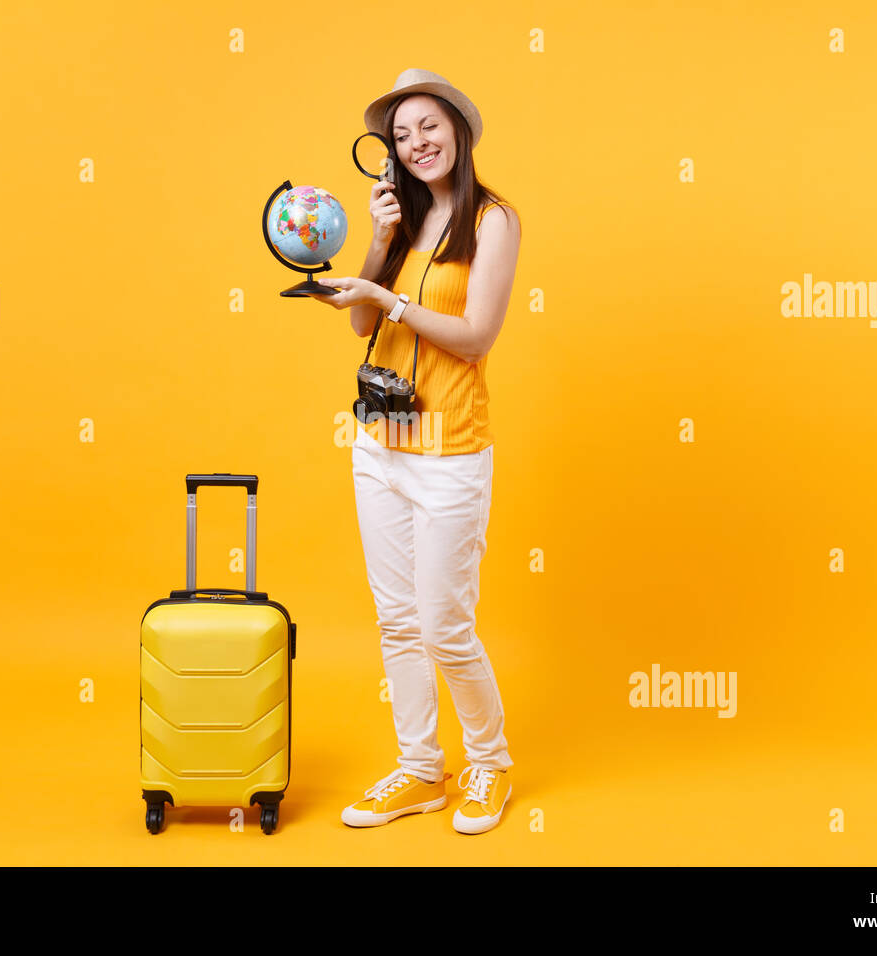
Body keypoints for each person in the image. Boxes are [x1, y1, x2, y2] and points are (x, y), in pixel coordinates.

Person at [310, 68, 521, 834]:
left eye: (428, 126)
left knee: (444, 625)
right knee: (397, 621)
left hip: (450, 450)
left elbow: (476, 338)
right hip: (380, 443)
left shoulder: (493, 221)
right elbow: (364, 329)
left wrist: (393, 300)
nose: (416, 143)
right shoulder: (402, 222)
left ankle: (489, 762)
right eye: (401, 135)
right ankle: (421, 768)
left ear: (459, 130)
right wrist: (376, 243)